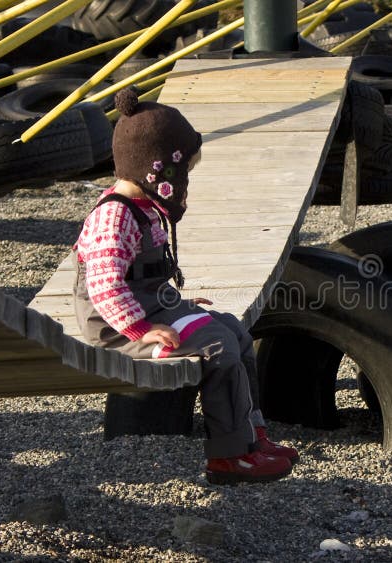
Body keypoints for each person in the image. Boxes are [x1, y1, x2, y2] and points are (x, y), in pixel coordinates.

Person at [72, 88, 298, 485]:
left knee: (234, 330)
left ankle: (252, 435)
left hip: (145, 307)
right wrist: (142, 329)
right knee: (217, 346)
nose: (186, 181)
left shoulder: (142, 207)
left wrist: (176, 302)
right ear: (159, 171)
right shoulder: (114, 218)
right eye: (184, 172)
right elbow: (105, 286)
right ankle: (230, 456)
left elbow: (143, 277)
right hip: (116, 327)